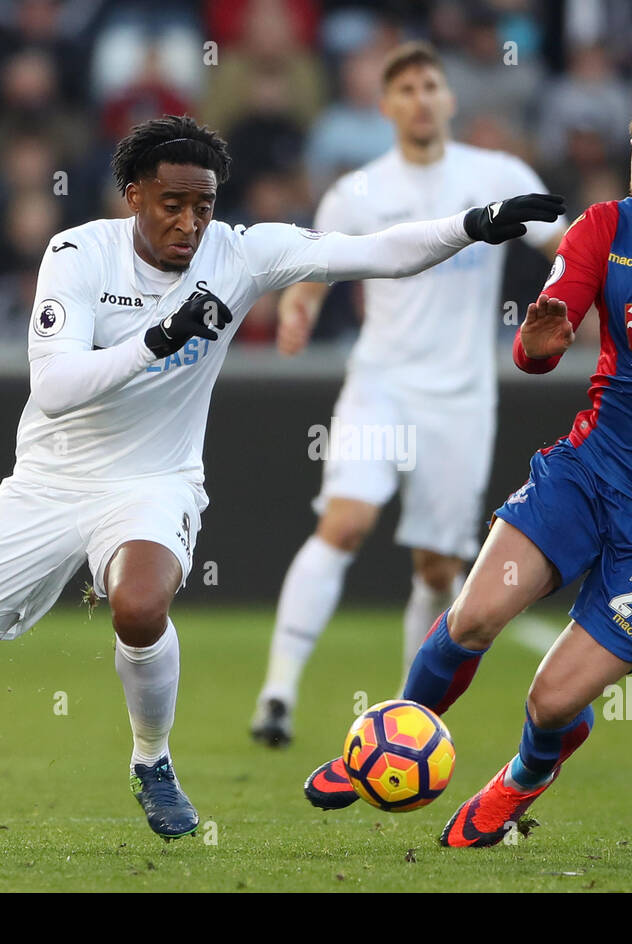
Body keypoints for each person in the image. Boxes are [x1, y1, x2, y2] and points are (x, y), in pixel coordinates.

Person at [0, 113, 563, 847]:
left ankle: (152, 759)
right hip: (49, 479)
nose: (189, 222)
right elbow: (55, 387)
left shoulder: (239, 254)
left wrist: (474, 223)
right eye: (172, 204)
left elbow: (374, 252)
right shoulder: (77, 253)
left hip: (155, 478)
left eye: (203, 205)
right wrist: (160, 337)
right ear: (133, 195)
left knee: (140, 605)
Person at [303, 81, 632, 847]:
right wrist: (537, 343)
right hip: (589, 473)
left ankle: (523, 776)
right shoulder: (602, 228)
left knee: (551, 701)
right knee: (474, 615)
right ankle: (390, 739)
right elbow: (538, 346)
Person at [250, 42, 563, 747]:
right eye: (406, 90)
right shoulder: (356, 192)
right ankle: (277, 693)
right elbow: (312, 269)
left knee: (439, 567)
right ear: (385, 106)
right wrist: (297, 309)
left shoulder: (499, 174)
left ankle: (405, 715)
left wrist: (576, 304)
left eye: (430, 86)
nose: (420, 99)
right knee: (345, 523)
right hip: (381, 384)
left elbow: (565, 248)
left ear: (449, 98)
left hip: (461, 397)